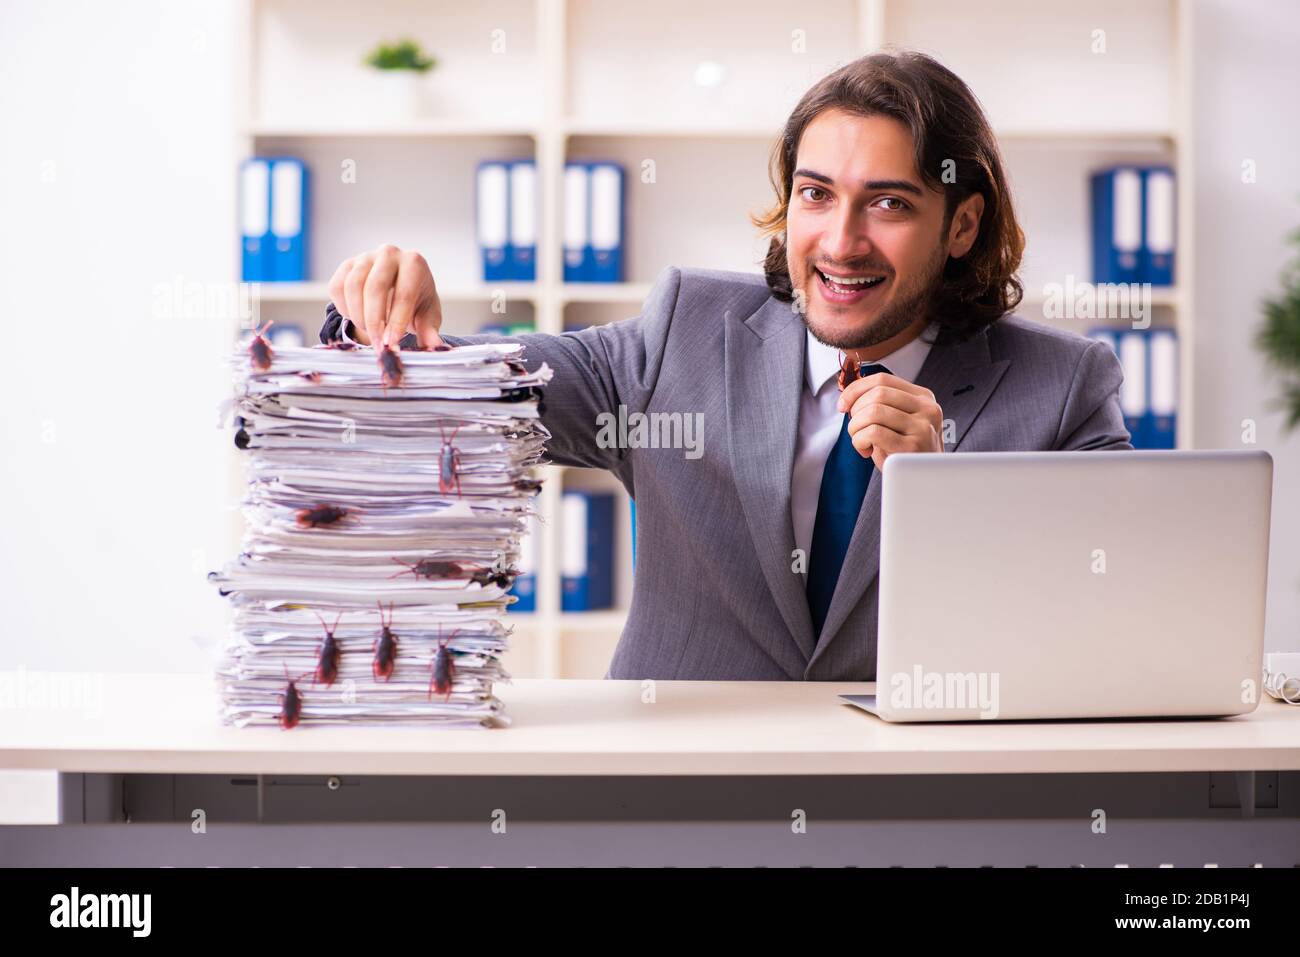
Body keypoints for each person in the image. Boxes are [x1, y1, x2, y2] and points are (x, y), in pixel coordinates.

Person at [318, 51, 1132, 681]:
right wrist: (393, 327)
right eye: (816, 195)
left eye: (889, 203)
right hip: (680, 801)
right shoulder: (687, 330)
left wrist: (950, 501)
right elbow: (489, 389)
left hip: (920, 813)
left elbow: (1109, 633)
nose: (842, 241)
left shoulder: (1061, 389)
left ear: (961, 226)